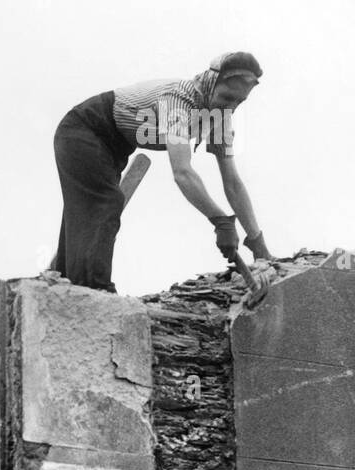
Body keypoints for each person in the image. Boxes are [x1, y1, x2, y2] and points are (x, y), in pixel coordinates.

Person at [53, 52, 271, 293]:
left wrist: (256, 241)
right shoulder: (180, 100)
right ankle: (93, 292)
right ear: (212, 84)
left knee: (86, 210)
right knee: (102, 204)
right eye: (227, 97)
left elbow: (232, 182)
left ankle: (61, 281)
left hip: (115, 146)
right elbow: (182, 172)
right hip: (86, 129)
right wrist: (220, 221)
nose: (230, 106)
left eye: (239, 101)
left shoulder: (219, 116)